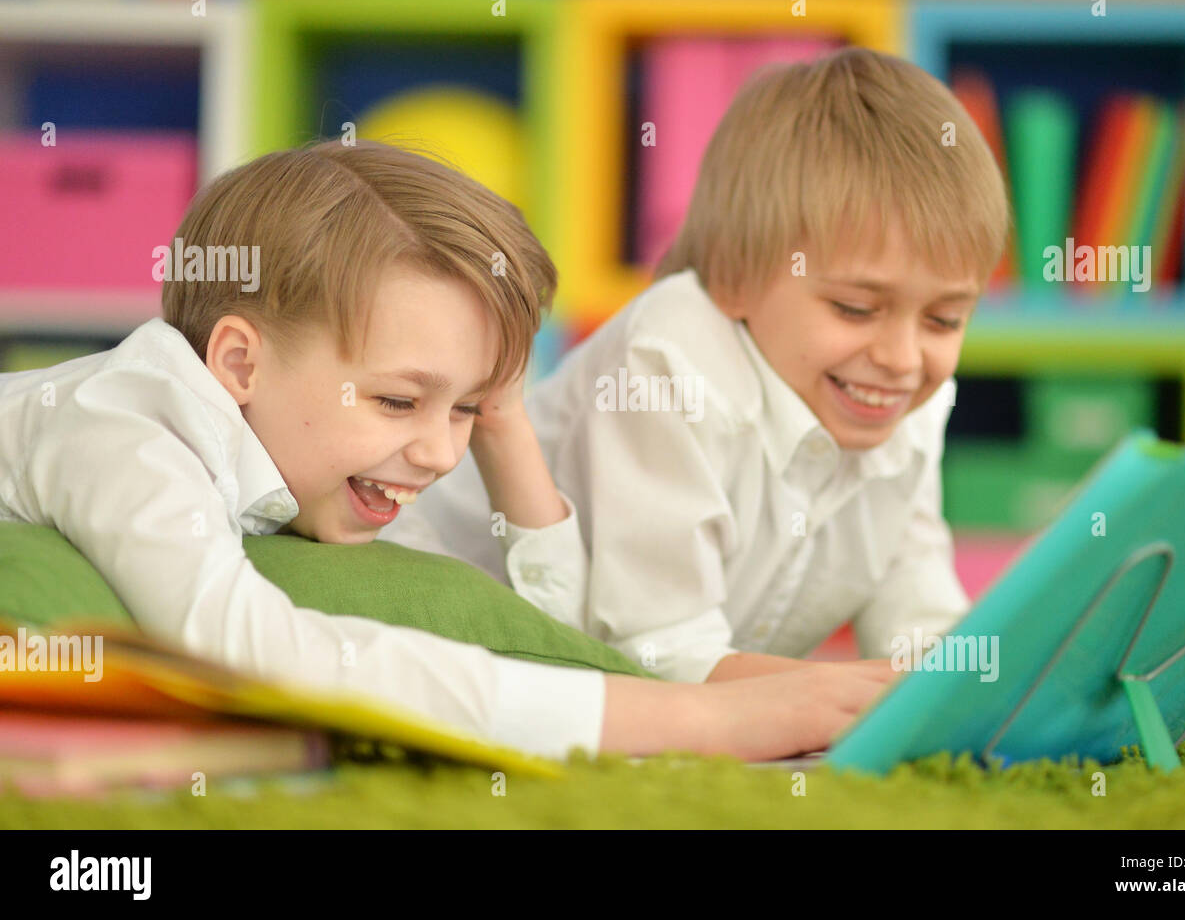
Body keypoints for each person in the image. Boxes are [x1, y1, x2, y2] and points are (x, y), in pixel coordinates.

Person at [0, 139, 891, 761]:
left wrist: (506, 438)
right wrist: (699, 720)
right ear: (240, 361)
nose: (436, 451)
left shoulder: (319, 472)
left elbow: (552, 639)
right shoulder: (124, 430)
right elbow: (252, 652)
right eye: (397, 398)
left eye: (468, 406)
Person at [391, 46, 1009, 684]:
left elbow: (915, 601)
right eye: (855, 309)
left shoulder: (910, 400)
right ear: (734, 279)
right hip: (435, 617)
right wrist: (856, 693)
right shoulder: (670, 364)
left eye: (944, 320)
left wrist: (969, 678)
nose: (904, 360)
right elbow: (656, 653)